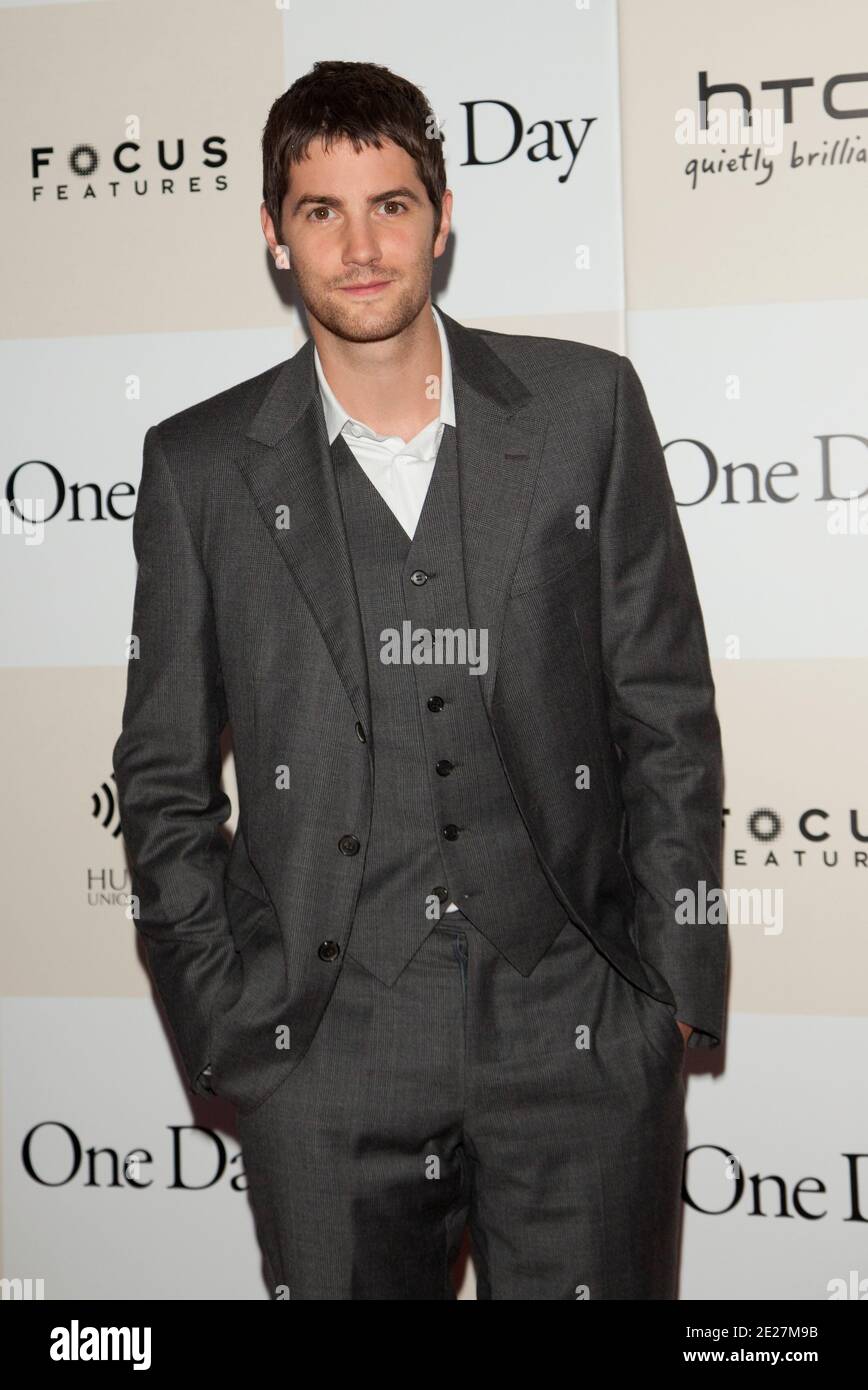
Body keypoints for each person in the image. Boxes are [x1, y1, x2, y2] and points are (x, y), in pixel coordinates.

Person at [112, 59, 728, 1300]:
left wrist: (665, 991)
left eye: (389, 203)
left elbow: (664, 711)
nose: (358, 245)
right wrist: (231, 1025)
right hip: (326, 1053)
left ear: (442, 217)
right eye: (319, 211)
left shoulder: (581, 409)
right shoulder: (197, 469)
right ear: (275, 239)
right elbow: (162, 775)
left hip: (576, 1037)